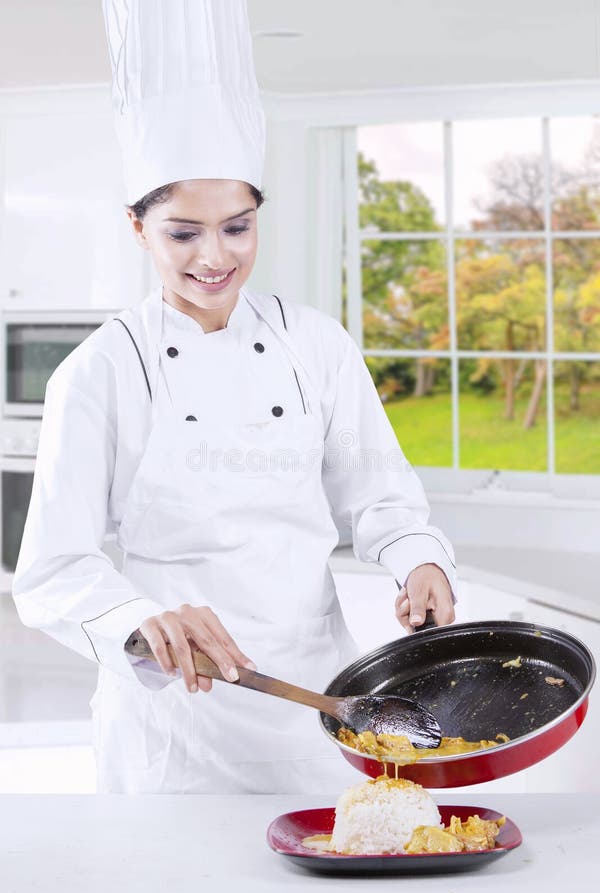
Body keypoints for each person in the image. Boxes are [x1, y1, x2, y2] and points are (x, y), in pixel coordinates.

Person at [12, 0, 457, 794]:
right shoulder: (99, 371)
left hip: (324, 698)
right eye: (183, 232)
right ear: (138, 228)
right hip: (178, 714)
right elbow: (53, 570)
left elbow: (379, 493)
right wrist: (139, 621)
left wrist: (418, 560)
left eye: (238, 227)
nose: (215, 257)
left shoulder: (315, 344)